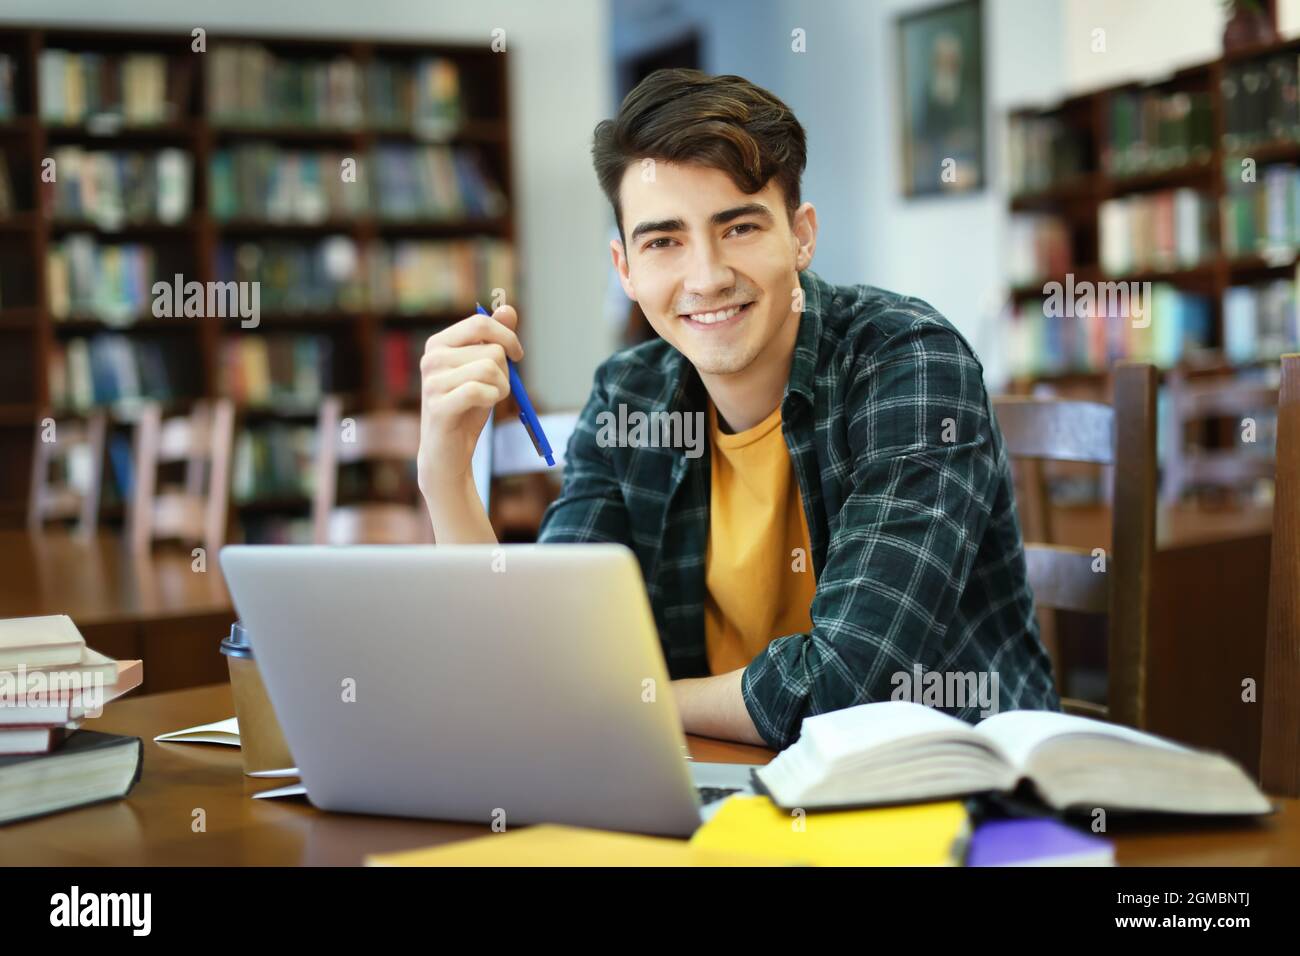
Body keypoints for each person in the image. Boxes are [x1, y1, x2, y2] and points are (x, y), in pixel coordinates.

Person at [415, 68, 1059, 750]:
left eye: (739, 227)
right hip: (718, 788)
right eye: (664, 241)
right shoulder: (628, 397)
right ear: (625, 267)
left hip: (952, 793)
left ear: (801, 235)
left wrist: (632, 697)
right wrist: (447, 478)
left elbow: (850, 688)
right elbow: (543, 669)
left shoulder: (908, 362)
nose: (707, 276)